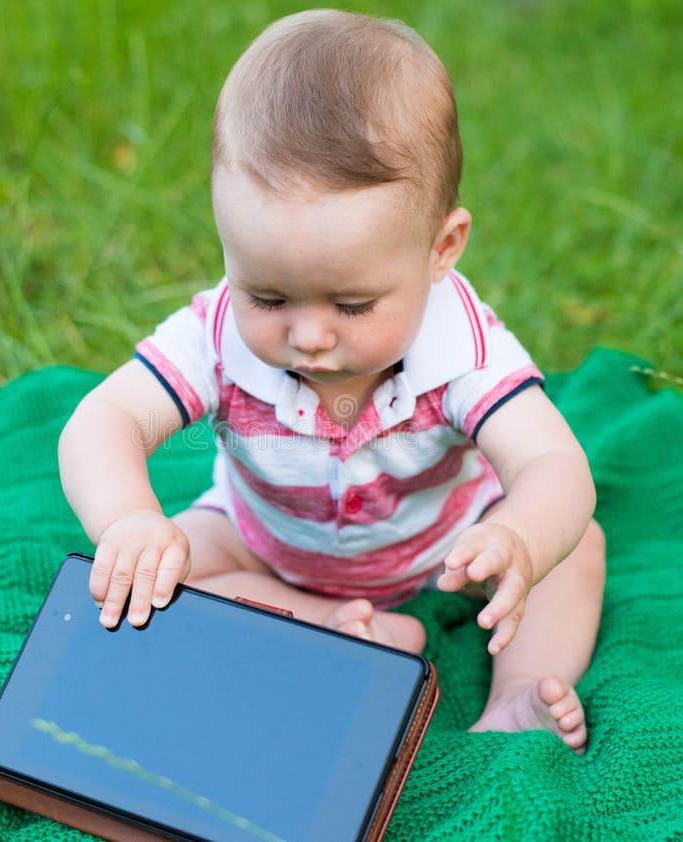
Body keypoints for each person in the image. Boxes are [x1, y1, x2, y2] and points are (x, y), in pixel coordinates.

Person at [59, 9, 605, 753]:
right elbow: (105, 418)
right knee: (160, 584)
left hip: (447, 547)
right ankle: (331, 627)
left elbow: (553, 464)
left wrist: (518, 536)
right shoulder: (217, 334)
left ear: (441, 248)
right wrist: (127, 517)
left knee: (575, 546)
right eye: (269, 297)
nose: (309, 337)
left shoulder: (465, 347)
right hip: (262, 540)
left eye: (353, 304)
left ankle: (516, 697)